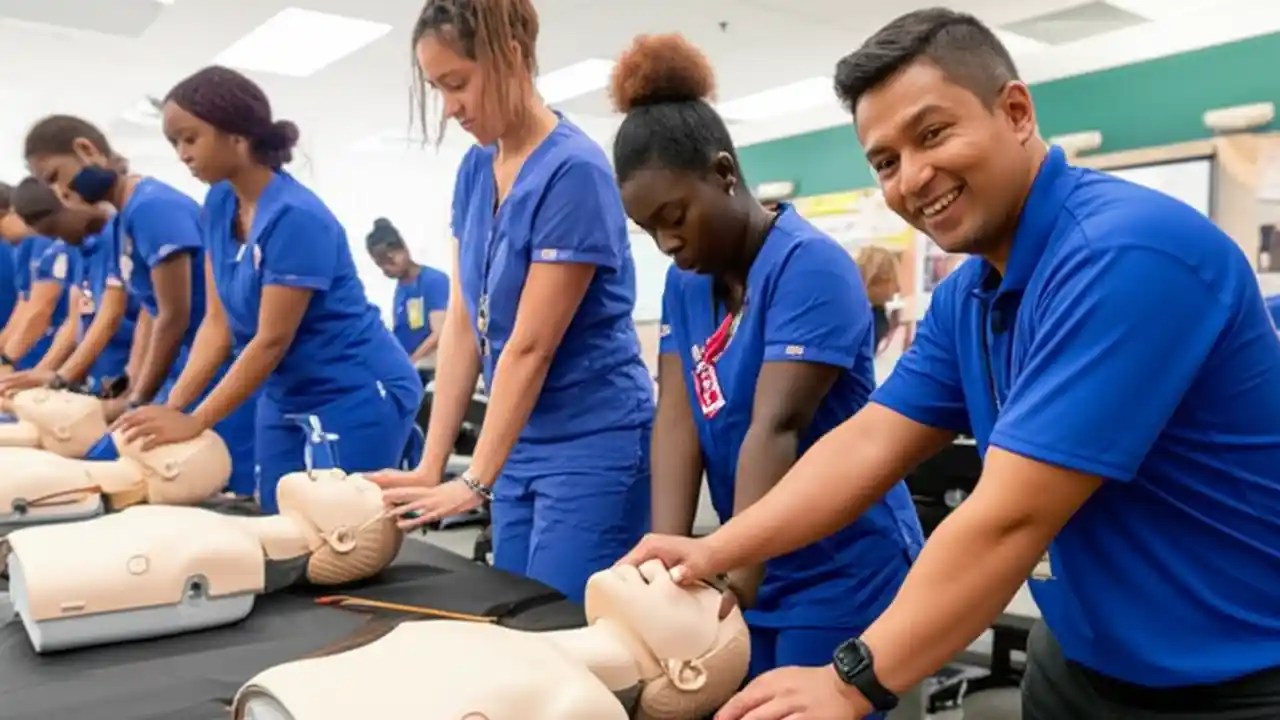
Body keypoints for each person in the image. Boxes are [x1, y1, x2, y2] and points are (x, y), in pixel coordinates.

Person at [621, 9, 1280, 720]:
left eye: (932, 134)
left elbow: (1009, 516)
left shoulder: (1125, 254)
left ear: (1017, 112)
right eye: (886, 161)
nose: (914, 176)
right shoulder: (971, 293)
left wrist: (850, 683)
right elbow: (869, 443)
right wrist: (715, 547)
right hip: (1083, 656)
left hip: (1230, 678)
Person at [608, 33, 922, 691]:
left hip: (842, 566)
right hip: (750, 554)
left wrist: (735, 571)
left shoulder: (811, 267)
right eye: (650, 231)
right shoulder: (686, 281)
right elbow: (677, 418)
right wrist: (665, 574)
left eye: (676, 216)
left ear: (724, 174)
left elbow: (774, 427)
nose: (668, 242)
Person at [375, 0, 654, 604]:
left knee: (561, 627)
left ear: (509, 56)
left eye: (458, 84)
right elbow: (463, 328)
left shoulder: (573, 171)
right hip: (522, 442)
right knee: (513, 611)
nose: (450, 109)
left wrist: (475, 479)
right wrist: (432, 463)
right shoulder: (477, 170)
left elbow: (530, 345)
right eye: (438, 89)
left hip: (592, 442)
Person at [114, 66, 423, 515]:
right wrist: (175, 406)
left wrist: (197, 419)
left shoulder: (297, 217)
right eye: (174, 142)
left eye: (190, 138)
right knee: (277, 519)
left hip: (355, 389)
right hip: (285, 393)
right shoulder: (218, 205)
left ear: (236, 136)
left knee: (339, 534)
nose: (182, 154)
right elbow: (217, 326)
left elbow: (270, 339)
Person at [21, 117, 256, 494]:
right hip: (182, 371)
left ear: (86, 150)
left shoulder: (154, 208)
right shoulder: (123, 220)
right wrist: (131, 386)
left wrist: (139, 400)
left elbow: (173, 317)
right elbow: (148, 311)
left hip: (216, 373)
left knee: (223, 489)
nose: (58, 191)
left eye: (54, 176)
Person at [0, 184, 77, 372]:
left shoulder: (48, 240)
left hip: (50, 354)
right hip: (28, 354)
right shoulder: (23, 245)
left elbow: (41, 309)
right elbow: (23, 307)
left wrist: (7, 361)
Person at [365, 217, 450, 370]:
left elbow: (440, 333)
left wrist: (410, 362)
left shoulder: (433, 280)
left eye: (390, 260)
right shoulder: (401, 289)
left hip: (431, 365)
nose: (387, 268)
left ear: (404, 249)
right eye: (381, 265)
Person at [854, 245, 901, 354]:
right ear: (876, 281)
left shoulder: (877, 313)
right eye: (892, 280)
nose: (897, 289)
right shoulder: (860, 319)